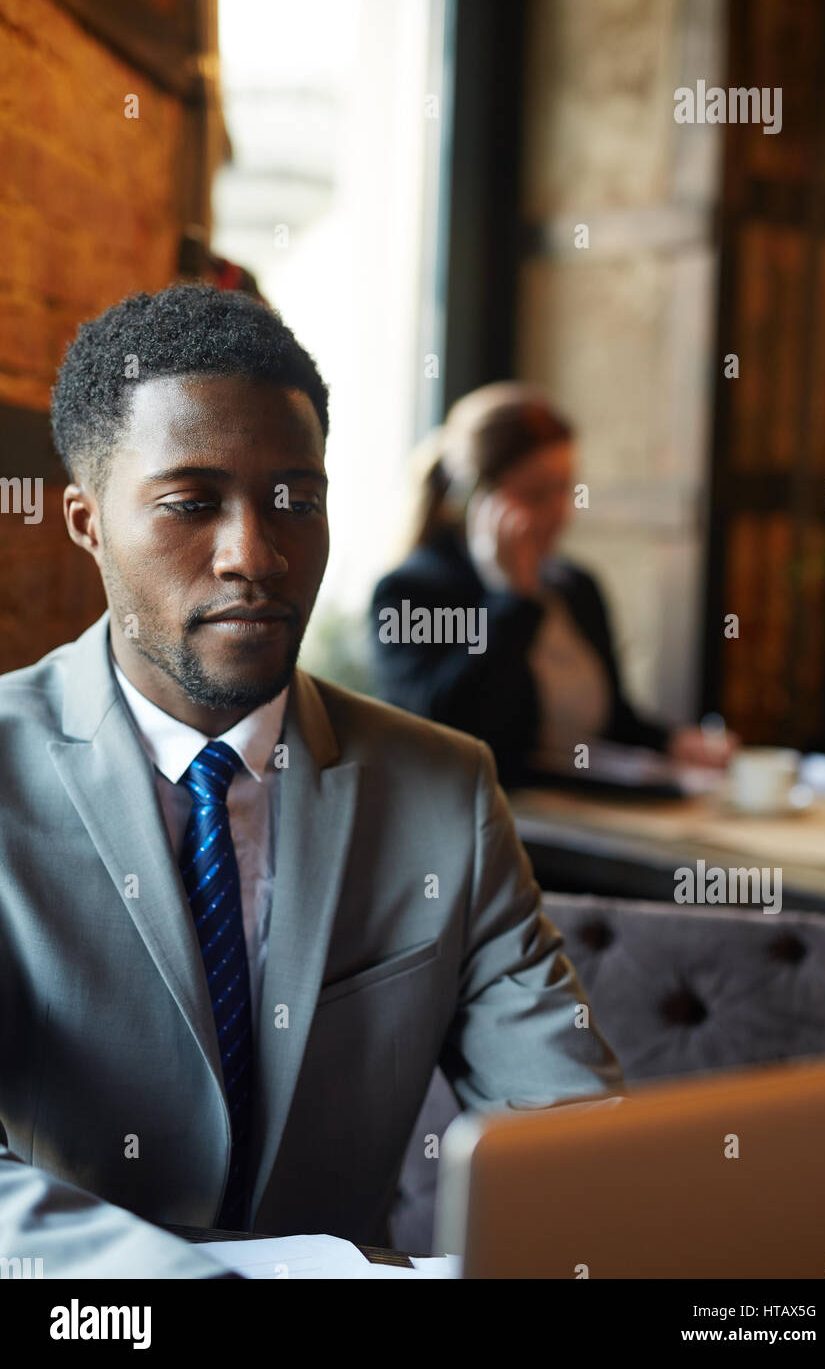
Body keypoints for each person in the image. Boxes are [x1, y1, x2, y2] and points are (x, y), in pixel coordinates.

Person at [0, 286, 623, 1277]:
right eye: (190, 503)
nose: (255, 553)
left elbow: (567, 1143)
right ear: (86, 523)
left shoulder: (443, 791)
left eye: (295, 498)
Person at [370, 383, 737, 786]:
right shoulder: (411, 592)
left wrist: (675, 742)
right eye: (536, 494)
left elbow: (610, 720)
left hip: (585, 811)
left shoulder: (574, 586)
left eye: (564, 489)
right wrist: (512, 597)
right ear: (473, 497)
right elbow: (450, 727)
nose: (558, 512)